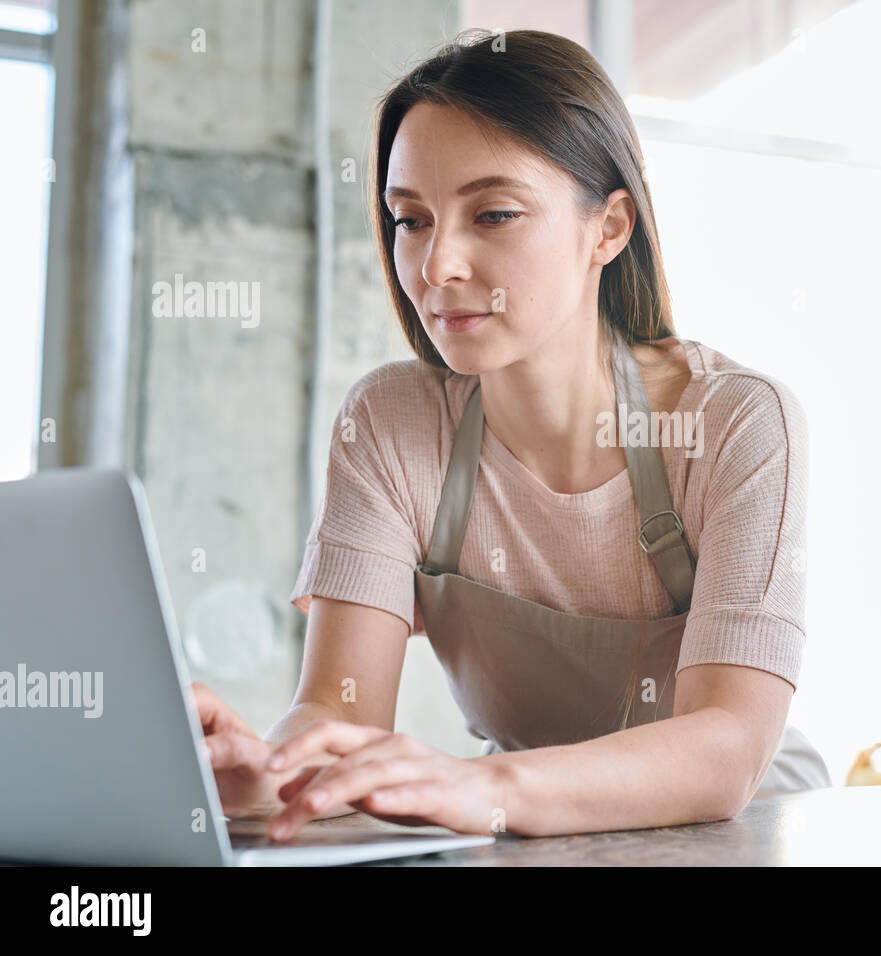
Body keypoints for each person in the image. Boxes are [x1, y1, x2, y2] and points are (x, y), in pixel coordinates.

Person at [195, 27, 831, 842]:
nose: (436, 266)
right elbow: (335, 706)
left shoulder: (736, 423)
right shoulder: (390, 424)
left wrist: (485, 787)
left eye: (492, 213)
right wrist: (268, 776)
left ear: (608, 228)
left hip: (747, 833)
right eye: (411, 219)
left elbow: (726, 750)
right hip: (534, 837)